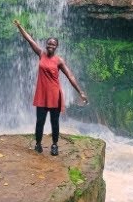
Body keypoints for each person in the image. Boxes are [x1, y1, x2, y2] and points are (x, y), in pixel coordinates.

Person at [14, 20, 87, 156]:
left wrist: (80, 92)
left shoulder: (59, 60)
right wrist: (20, 27)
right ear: (46, 44)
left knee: (54, 122)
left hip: (54, 96)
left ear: (56, 46)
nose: (50, 46)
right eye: (49, 43)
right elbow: (29, 40)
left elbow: (70, 76)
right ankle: (38, 144)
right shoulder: (41, 54)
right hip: (42, 95)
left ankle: (54, 145)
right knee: (40, 122)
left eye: (53, 44)